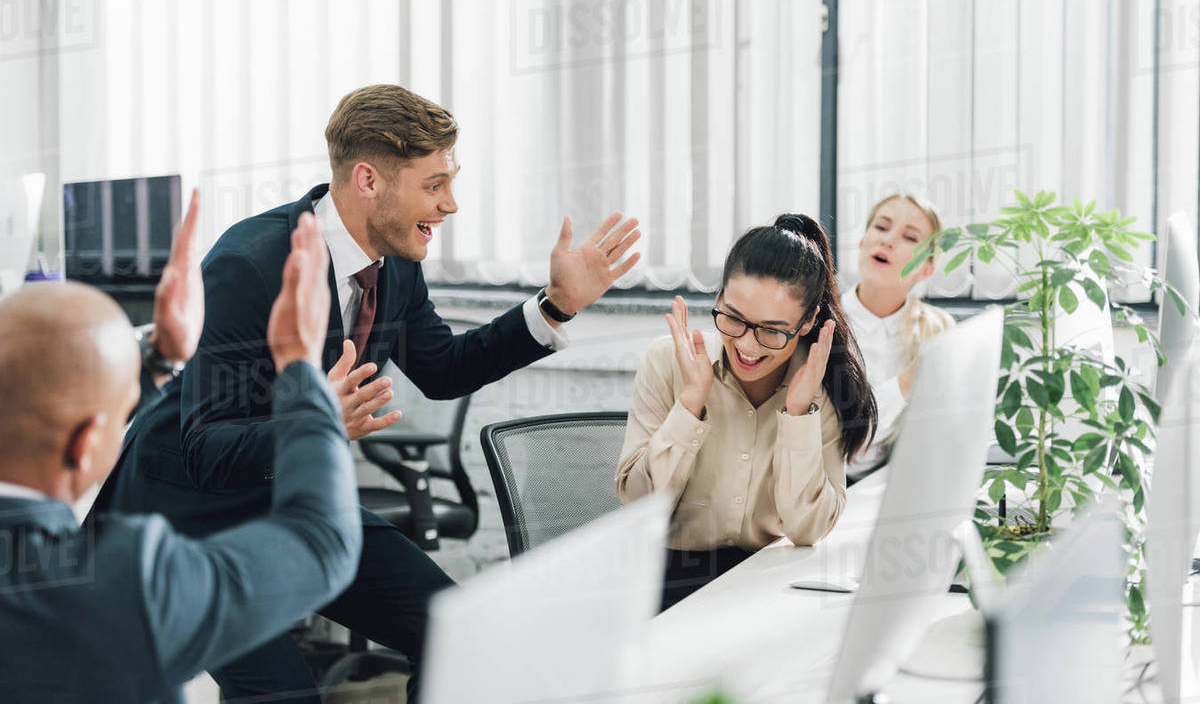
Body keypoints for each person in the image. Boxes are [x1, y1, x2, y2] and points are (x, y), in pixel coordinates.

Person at [94, 83, 642, 703]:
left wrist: (556, 306)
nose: (451, 205)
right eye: (434, 185)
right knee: (280, 694)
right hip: (187, 519)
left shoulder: (396, 261)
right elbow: (203, 448)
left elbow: (443, 368)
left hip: (292, 500)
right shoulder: (250, 264)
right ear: (368, 180)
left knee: (458, 634)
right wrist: (314, 421)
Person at [0, 197, 364, 704]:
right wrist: (300, 365)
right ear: (86, 446)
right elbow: (322, 544)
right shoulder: (127, 584)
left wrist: (161, 358)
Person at [617, 214, 877, 610]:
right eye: (734, 318)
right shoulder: (668, 360)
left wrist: (798, 413)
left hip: (765, 582)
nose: (748, 347)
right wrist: (691, 402)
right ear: (719, 298)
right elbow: (640, 509)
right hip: (664, 582)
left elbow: (807, 530)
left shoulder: (820, 382)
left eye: (772, 330)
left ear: (807, 322)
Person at [843, 193, 955, 481]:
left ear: (927, 268)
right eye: (880, 227)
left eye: (910, 237)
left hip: (903, 486)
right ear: (862, 241)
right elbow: (841, 443)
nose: (887, 240)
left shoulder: (939, 330)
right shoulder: (818, 323)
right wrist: (908, 381)